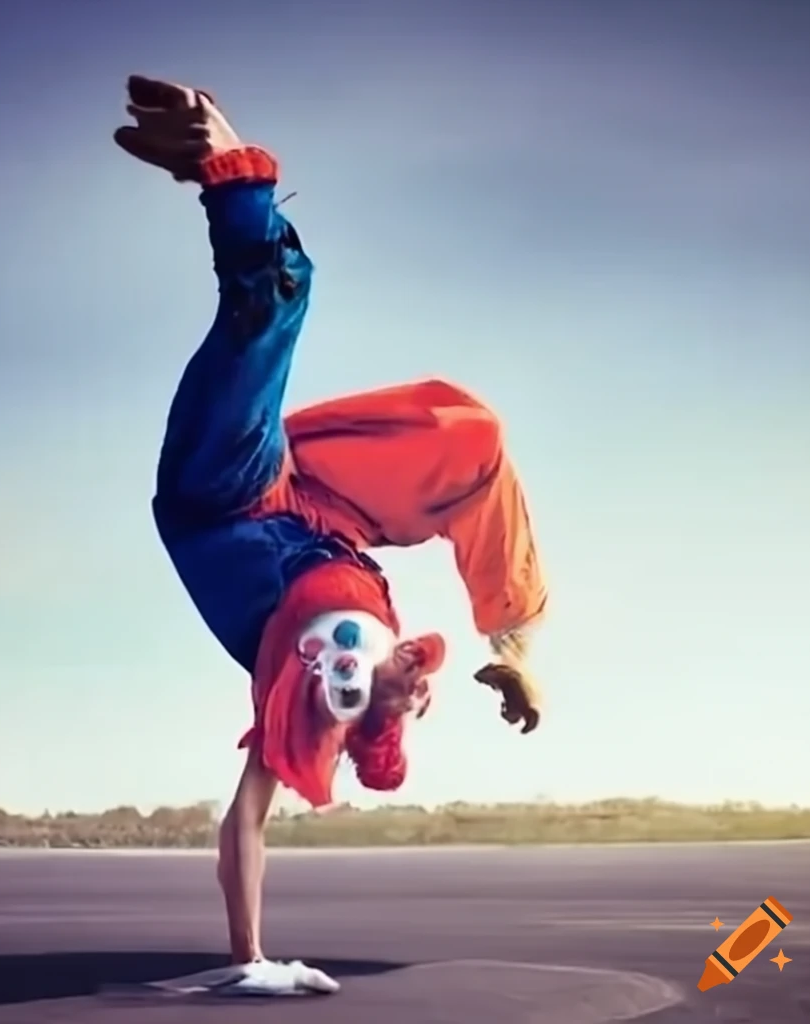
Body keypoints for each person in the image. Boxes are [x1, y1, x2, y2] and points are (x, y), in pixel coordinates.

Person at [114, 76, 548, 995]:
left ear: (378, 709)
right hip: (300, 495)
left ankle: (227, 168)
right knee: (469, 438)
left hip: (226, 497)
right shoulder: (369, 621)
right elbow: (464, 512)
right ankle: (213, 171)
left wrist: (249, 961)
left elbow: (248, 823)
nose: (424, 681)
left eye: (415, 693)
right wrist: (511, 645)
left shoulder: (339, 679)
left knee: (272, 308)